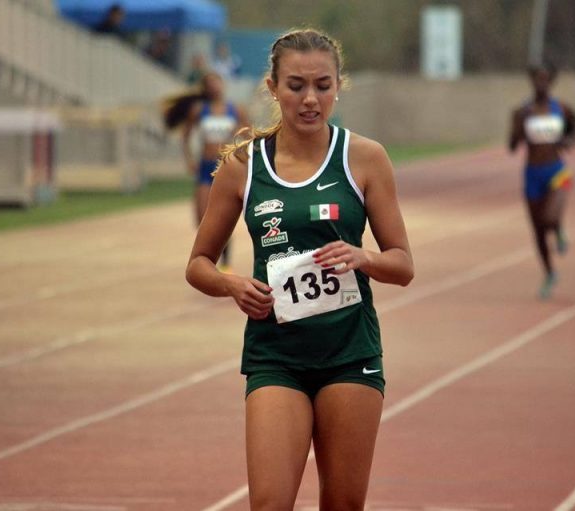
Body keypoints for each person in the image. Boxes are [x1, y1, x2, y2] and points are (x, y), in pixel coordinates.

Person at [185, 29, 413, 510]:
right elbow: (198, 264)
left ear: (338, 86)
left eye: (323, 85)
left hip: (349, 354)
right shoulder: (244, 166)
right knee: (268, 503)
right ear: (272, 87)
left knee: (343, 504)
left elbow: (402, 264)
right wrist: (231, 284)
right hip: (276, 357)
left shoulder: (365, 158)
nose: (310, 99)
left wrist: (362, 256)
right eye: (295, 86)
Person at [509, 62, 575, 299]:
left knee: (550, 217)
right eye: (536, 79)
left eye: (545, 79)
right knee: (538, 230)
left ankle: (559, 228)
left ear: (551, 82)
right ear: (531, 81)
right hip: (532, 174)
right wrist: (517, 126)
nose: (540, 83)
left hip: (557, 171)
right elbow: (512, 146)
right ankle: (550, 273)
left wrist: (569, 141)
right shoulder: (524, 111)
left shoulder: (561, 108)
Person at [163, 72, 249, 271]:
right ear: (206, 88)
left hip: (225, 167)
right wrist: (189, 159)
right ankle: (211, 257)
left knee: (224, 216)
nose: (214, 86)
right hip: (205, 167)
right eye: (210, 83)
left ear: (222, 84)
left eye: (217, 82)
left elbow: (249, 134)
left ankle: (225, 262)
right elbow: (185, 136)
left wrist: (242, 158)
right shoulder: (199, 110)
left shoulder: (235, 110)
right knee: (202, 217)